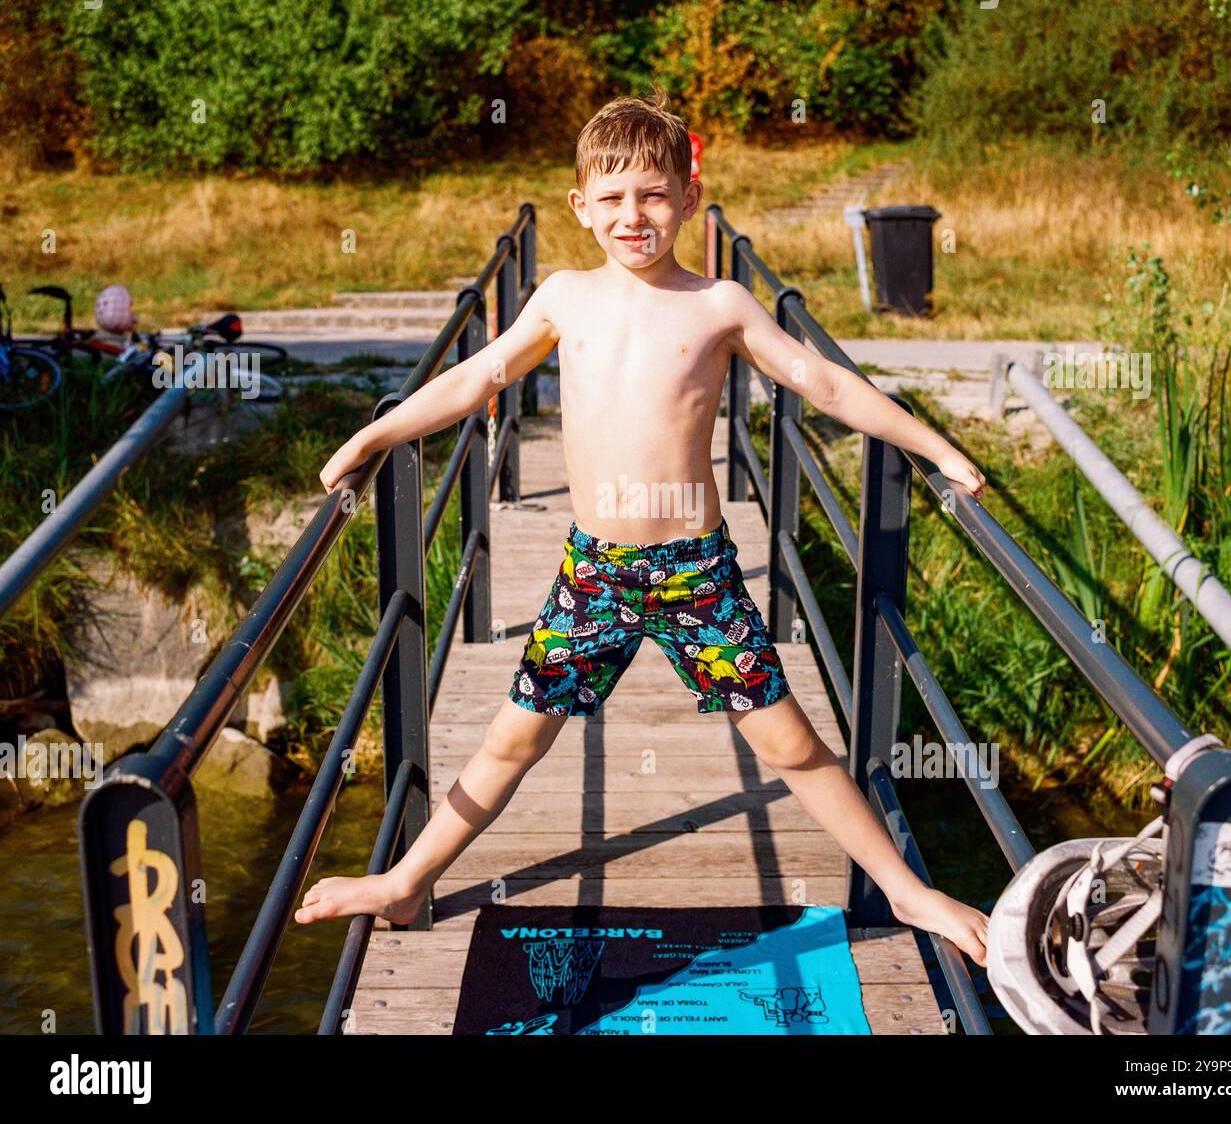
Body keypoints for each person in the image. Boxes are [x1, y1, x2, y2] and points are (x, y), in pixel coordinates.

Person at [296, 86, 990, 967]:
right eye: (615, 198)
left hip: (695, 573)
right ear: (582, 209)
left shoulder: (722, 306)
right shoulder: (564, 297)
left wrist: (933, 447)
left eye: (656, 194)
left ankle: (908, 890)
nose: (636, 215)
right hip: (596, 571)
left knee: (791, 743)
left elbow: (825, 386)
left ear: (689, 201)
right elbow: (475, 379)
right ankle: (405, 881)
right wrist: (374, 433)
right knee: (515, 734)